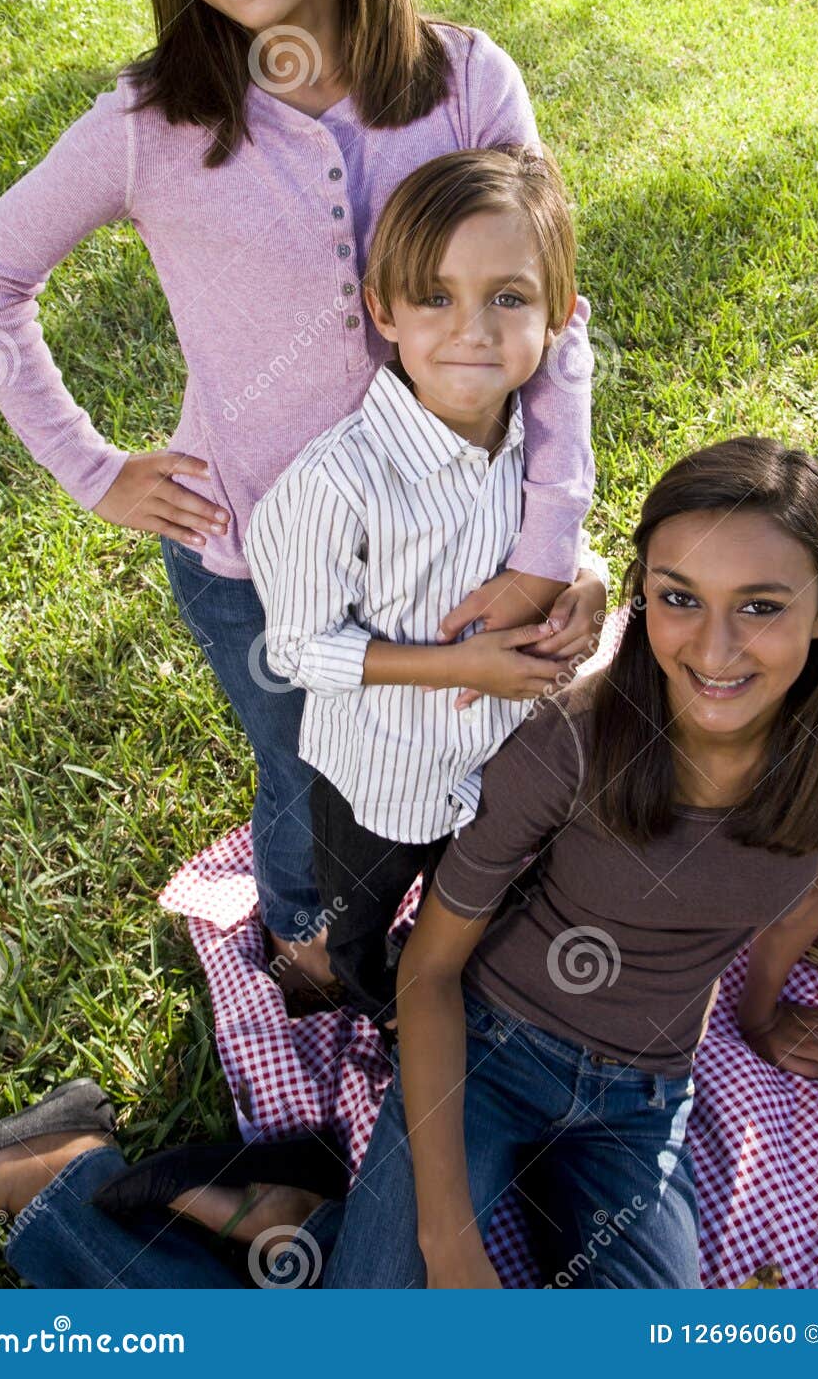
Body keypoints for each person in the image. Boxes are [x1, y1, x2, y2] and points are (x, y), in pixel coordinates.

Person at [0, 438, 818, 1288]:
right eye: (676, 597)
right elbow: (431, 969)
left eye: (760, 604)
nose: (712, 647)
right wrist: (445, 1241)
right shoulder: (565, 742)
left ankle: (295, 1221)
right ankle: (59, 1181)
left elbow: (809, 889)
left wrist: (756, 1016)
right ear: (644, 596)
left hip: (644, 1096)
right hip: (486, 1054)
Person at [0, 0, 604, 1009]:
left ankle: (464, 936)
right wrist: (92, 469)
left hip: (463, 538)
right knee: (310, 774)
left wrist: (547, 539)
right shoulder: (149, 125)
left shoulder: (465, 82)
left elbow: (555, 319)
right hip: (253, 560)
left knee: (473, 741)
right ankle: (307, 947)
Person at [245, 145, 604, 1031]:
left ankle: (464, 993)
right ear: (383, 311)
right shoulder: (338, 483)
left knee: (478, 897)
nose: (472, 330)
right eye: (435, 297)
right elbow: (295, 649)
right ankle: (375, 1002)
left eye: (508, 298)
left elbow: (557, 538)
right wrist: (461, 668)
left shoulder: (534, 448)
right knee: (361, 916)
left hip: (500, 763)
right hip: (379, 773)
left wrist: (586, 579)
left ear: (556, 318)